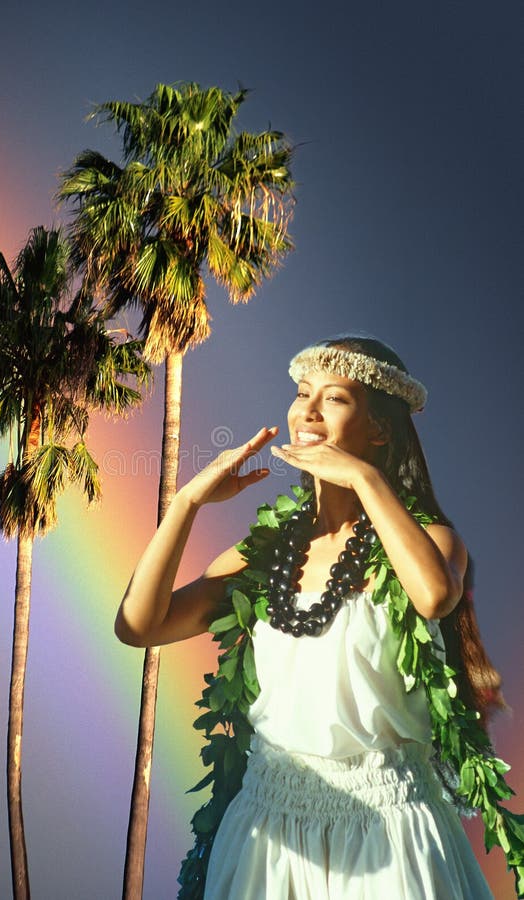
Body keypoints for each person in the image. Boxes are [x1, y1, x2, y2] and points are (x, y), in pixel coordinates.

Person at [115, 335, 504, 899]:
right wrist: (186, 505)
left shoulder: (430, 542)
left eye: (336, 397)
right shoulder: (266, 554)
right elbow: (139, 626)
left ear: (381, 428)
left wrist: (365, 480)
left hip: (387, 831)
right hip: (269, 830)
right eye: (303, 393)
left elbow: (433, 595)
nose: (310, 410)